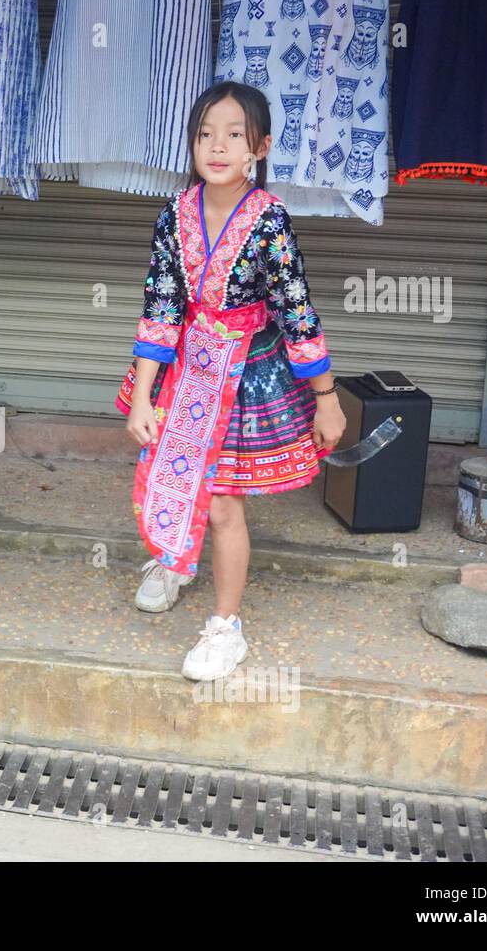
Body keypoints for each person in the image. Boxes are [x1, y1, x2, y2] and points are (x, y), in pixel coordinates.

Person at [119, 81, 346, 682]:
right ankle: (172, 561)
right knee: (168, 474)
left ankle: (226, 627)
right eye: (204, 134)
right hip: (183, 369)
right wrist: (142, 394)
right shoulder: (174, 215)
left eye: (234, 135)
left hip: (246, 376)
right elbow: (160, 306)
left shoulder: (270, 221)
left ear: (260, 147)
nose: (216, 147)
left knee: (221, 502)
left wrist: (327, 399)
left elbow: (296, 310)